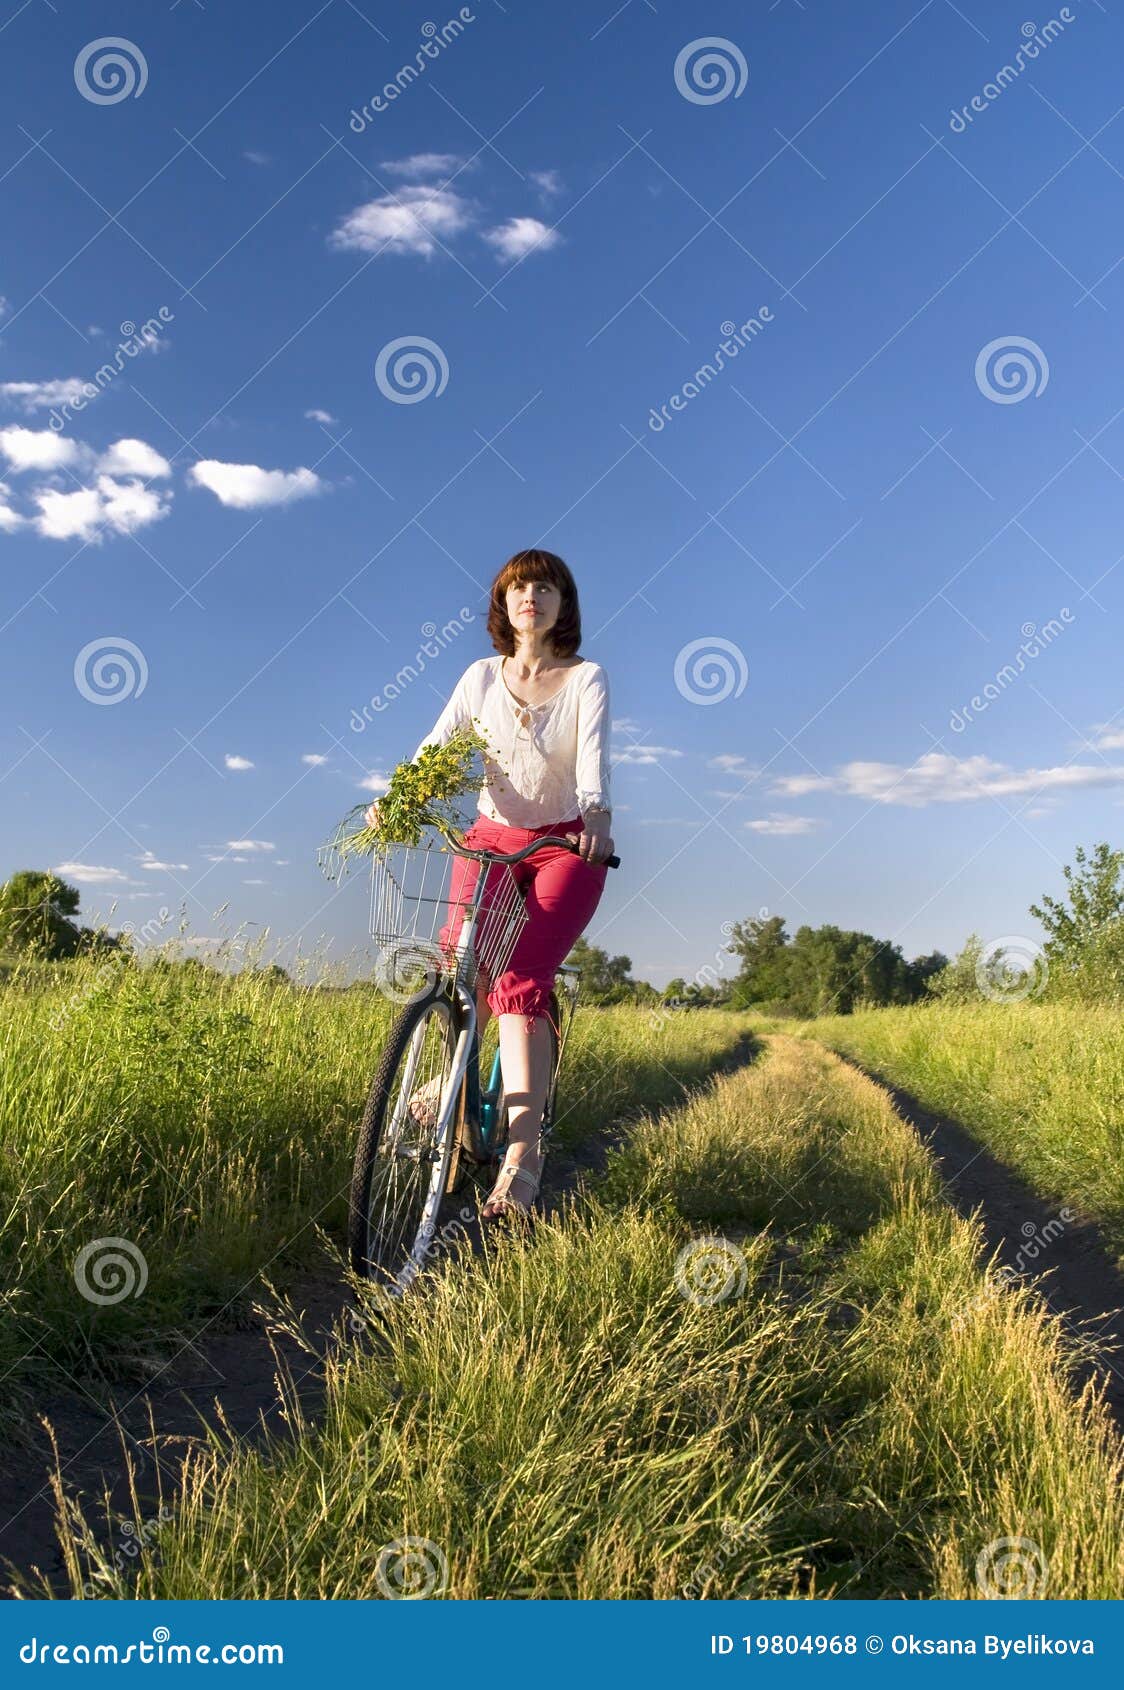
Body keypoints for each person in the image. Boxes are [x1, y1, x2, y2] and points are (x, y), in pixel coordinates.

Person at [364, 547, 614, 1222]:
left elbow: (591, 763)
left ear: (563, 604)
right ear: (503, 606)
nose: (530, 596)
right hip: (489, 838)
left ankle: (521, 1162)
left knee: (521, 984)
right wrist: (401, 796)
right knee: (464, 963)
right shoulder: (479, 677)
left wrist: (595, 817)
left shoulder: (586, 679)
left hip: (564, 844)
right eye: (517, 588)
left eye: (545, 587)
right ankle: (452, 1084)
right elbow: (436, 747)